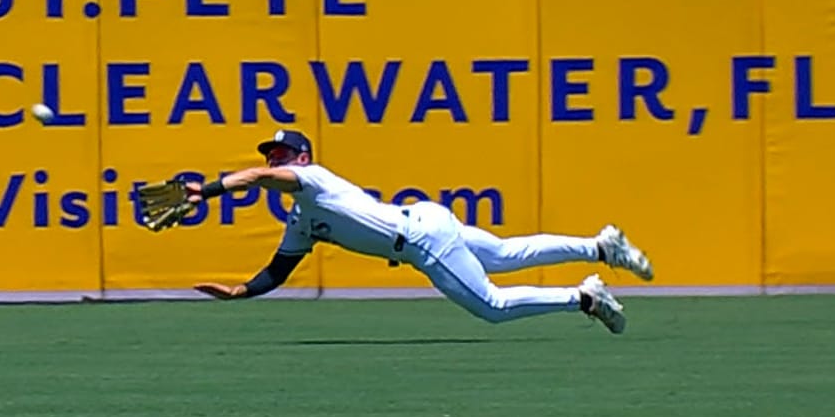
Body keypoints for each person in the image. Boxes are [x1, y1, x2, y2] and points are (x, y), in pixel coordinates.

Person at [170, 130, 652, 334]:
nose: (270, 161)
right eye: (269, 155)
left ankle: (585, 298)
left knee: (493, 307)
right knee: (505, 253)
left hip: (421, 241)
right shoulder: (301, 218)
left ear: (300, 158)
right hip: (423, 219)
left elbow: (255, 178)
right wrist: (239, 291)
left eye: (278, 155)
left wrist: (205, 190)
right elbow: (279, 270)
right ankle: (600, 246)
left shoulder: (312, 178)